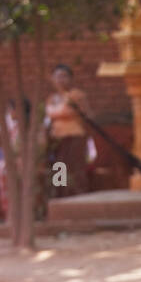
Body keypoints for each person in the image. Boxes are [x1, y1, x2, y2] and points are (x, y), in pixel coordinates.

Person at [45, 64, 90, 197]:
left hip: (74, 136)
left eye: (64, 76)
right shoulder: (51, 98)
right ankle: (61, 196)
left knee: (74, 166)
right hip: (56, 138)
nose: (61, 80)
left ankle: (79, 195)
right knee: (59, 166)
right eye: (58, 77)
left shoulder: (76, 95)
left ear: (71, 79)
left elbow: (85, 114)